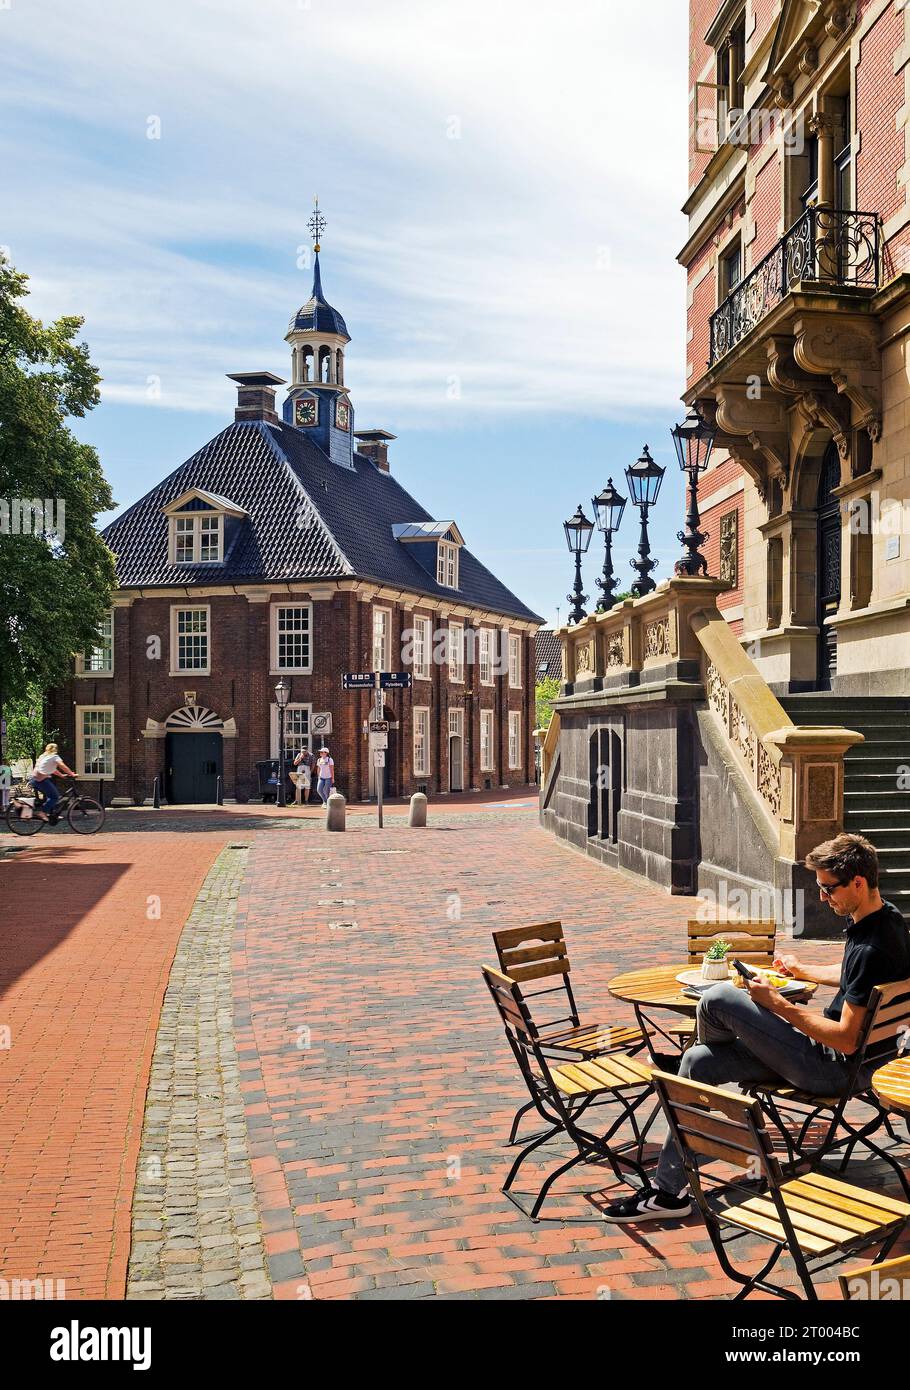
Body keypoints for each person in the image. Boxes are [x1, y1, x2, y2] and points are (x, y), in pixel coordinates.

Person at [603, 832, 910, 1224]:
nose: (822, 898)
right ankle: (669, 1191)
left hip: (832, 1069)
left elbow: (846, 1039)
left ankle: (732, 1130)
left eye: (827, 889)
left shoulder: (871, 947)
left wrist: (776, 1005)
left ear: (858, 883)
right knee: (699, 1061)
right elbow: (856, 980)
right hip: (861, 1060)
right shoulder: (887, 921)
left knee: (717, 999)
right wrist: (803, 971)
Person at [29, 742, 75, 821]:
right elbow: (62, 765)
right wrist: (71, 773)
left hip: (35, 779)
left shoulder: (43, 756)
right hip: (41, 780)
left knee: (51, 796)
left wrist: (61, 775)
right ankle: (43, 813)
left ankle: (51, 814)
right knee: (55, 797)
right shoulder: (54, 757)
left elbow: (53, 770)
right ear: (55, 749)